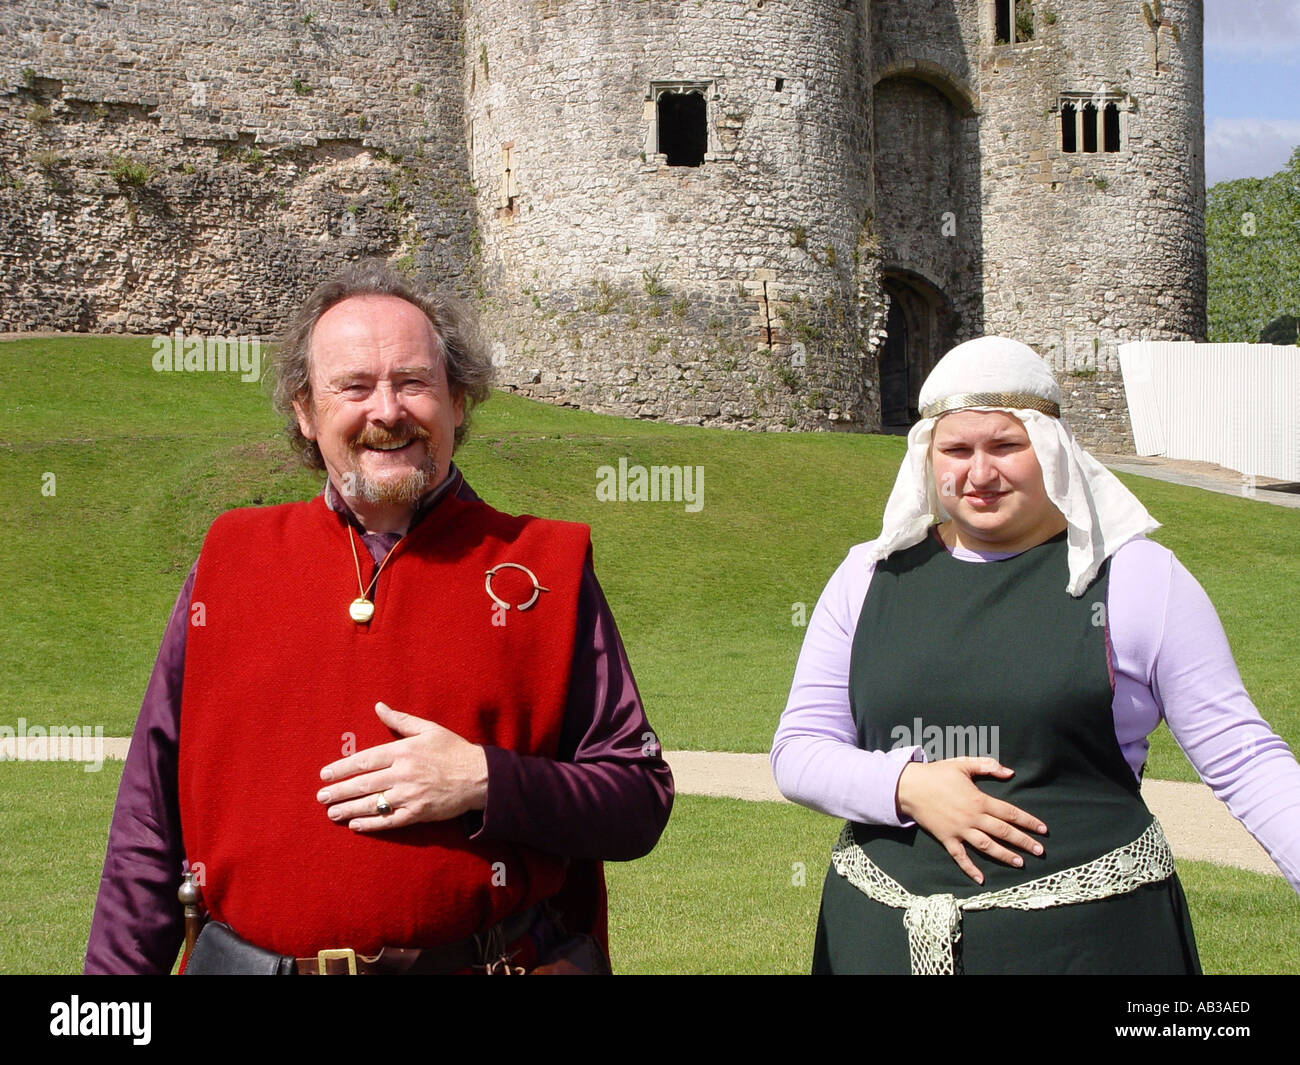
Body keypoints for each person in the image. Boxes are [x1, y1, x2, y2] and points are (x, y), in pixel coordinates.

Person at [85, 259, 673, 974]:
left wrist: (485, 779)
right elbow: (149, 820)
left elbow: (638, 796)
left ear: (458, 400)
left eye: (414, 382)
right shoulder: (229, 558)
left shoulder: (544, 565)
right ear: (305, 410)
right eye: (354, 386)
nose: (387, 411)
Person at [771, 336, 1300, 975]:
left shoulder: (1138, 579)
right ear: (928, 456)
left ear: (1049, 448)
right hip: (878, 943)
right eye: (957, 450)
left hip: (1092, 947)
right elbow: (799, 750)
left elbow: (1244, 760)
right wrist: (906, 785)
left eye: (1005, 447)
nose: (979, 474)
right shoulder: (868, 575)